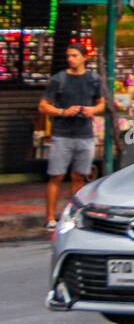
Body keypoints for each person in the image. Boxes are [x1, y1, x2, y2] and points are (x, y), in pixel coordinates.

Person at [39, 44, 105, 230]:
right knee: (56, 176)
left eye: (75, 55)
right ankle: (50, 218)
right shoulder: (58, 79)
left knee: (79, 177)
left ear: (84, 57)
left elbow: (102, 104)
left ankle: (73, 216)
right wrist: (62, 111)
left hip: (85, 135)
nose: (70, 59)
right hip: (62, 135)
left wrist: (92, 109)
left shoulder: (93, 79)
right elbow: (43, 106)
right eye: (68, 56)